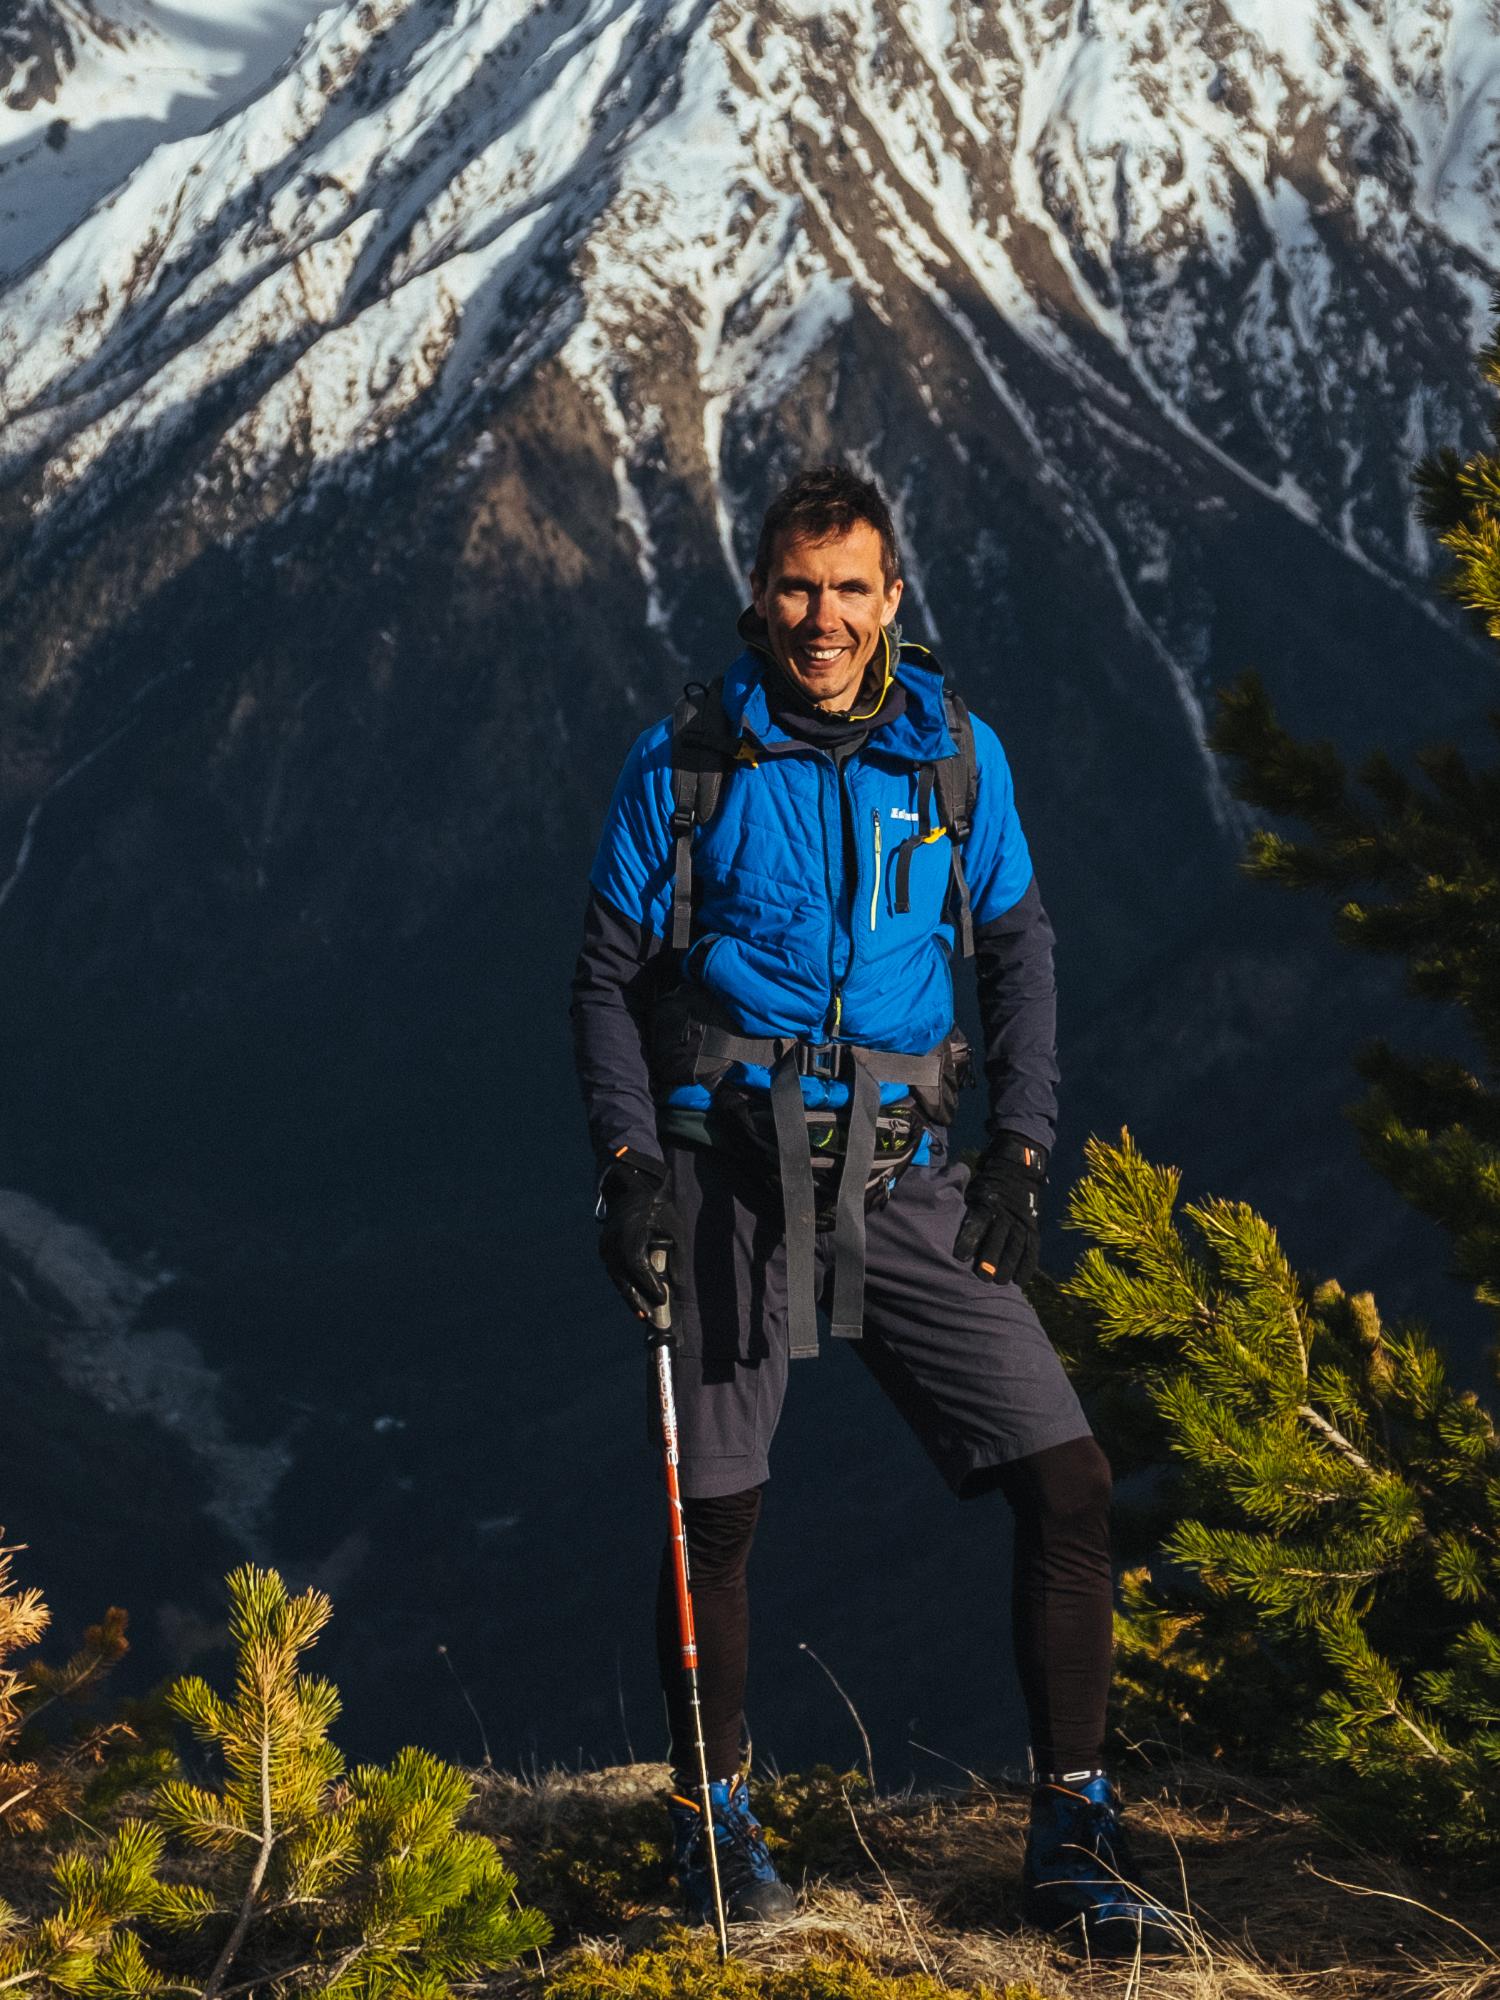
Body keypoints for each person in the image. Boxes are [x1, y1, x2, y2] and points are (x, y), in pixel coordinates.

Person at [570, 465, 1180, 1954]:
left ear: (893, 597)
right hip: (729, 1167)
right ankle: (716, 1835)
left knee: (1072, 1485)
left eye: (851, 589)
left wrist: (1023, 1152)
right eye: (797, 586)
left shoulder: (956, 759)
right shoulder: (686, 765)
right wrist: (632, 1167)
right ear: (756, 594)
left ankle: (1072, 1828)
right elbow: (603, 975)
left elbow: (1020, 946)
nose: (823, 619)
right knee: (712, 1513)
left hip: (909, 1175)